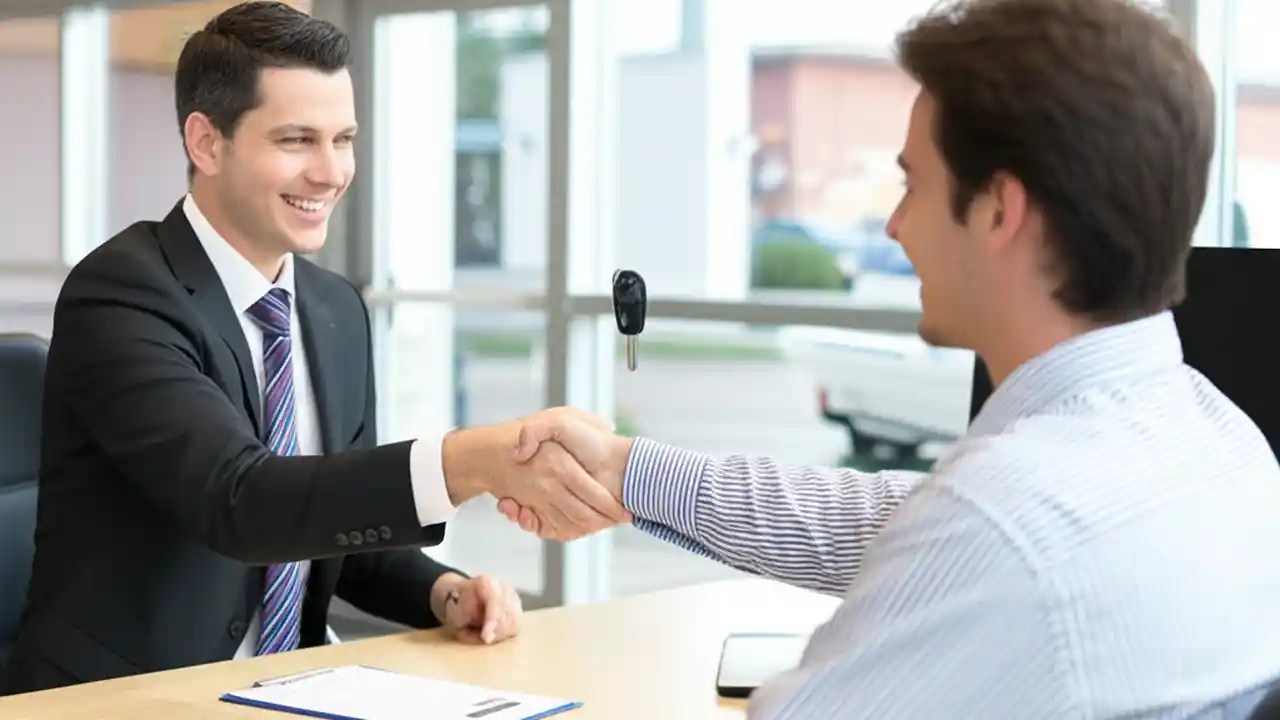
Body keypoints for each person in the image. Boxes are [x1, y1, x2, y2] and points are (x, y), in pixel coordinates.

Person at [500, 0, 1280, 716]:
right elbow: (883, 521)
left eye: (913, 186)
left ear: (999, 210)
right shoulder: (1222, 444)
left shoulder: (1004, 524)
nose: (895, 226)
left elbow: (958, 536)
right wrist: (627, 471)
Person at [3, 1, 626, 695]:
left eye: (343, 139)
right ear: (207, 143)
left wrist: (445, 592)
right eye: (297, 140)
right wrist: (470, 461)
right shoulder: (121, 294)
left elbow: (336, 526)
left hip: (289, 689)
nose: (331, 173)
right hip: (125, 697)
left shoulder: (335, 310)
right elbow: (242, 502)